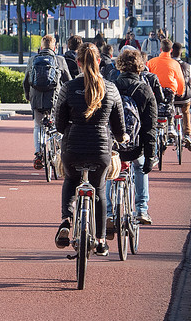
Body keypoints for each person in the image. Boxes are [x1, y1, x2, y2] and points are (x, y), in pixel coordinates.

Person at [52, 43, 126, 256]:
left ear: (78, 63)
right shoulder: (110, 88)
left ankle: (66, 220)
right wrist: (123, 137)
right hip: (100, 147)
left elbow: (59, 124)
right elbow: (119, 126)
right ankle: (101, 240)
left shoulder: (68, 88)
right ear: (99, 61)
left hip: (73, 146)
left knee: (71, 180)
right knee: (100, 189)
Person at [110, 47, 158, 226]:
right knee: (139, 168)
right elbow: (149, 128)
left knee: (111, 170)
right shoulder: (145, 90)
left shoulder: (110, 87)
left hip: (114, 145)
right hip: (135, 147)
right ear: (140, 67)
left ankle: (108, 212)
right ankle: (142, 209)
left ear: (120, 66)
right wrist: (150, 156)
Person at [24, 34, 68, 170]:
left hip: (36, 99)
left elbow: (26, 81)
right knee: (57, 127)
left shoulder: (32, 60)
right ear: (54, 47)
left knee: (38, 126)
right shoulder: (59, 60)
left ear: (41, 46)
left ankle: (38, 154)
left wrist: (28, 96)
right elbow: (68, 80)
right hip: (55, 99)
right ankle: (64, 155)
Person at [169, 41, 191, 151]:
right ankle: (187, 134)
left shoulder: (169, 65)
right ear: (181, 53)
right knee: (186, 111)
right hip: (183, 97)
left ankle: (169, 128)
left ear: (171, 52)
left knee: (168, 110)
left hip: (171, 97)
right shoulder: (187, 66)